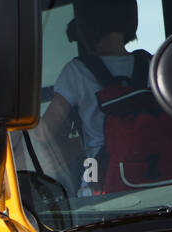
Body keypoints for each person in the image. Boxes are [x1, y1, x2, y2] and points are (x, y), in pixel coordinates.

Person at [37, 0, 142, 195]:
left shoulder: (76, 72)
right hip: (159, 181)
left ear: (86, 24)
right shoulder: (153, 65)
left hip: (101, 187)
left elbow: (43, 133)